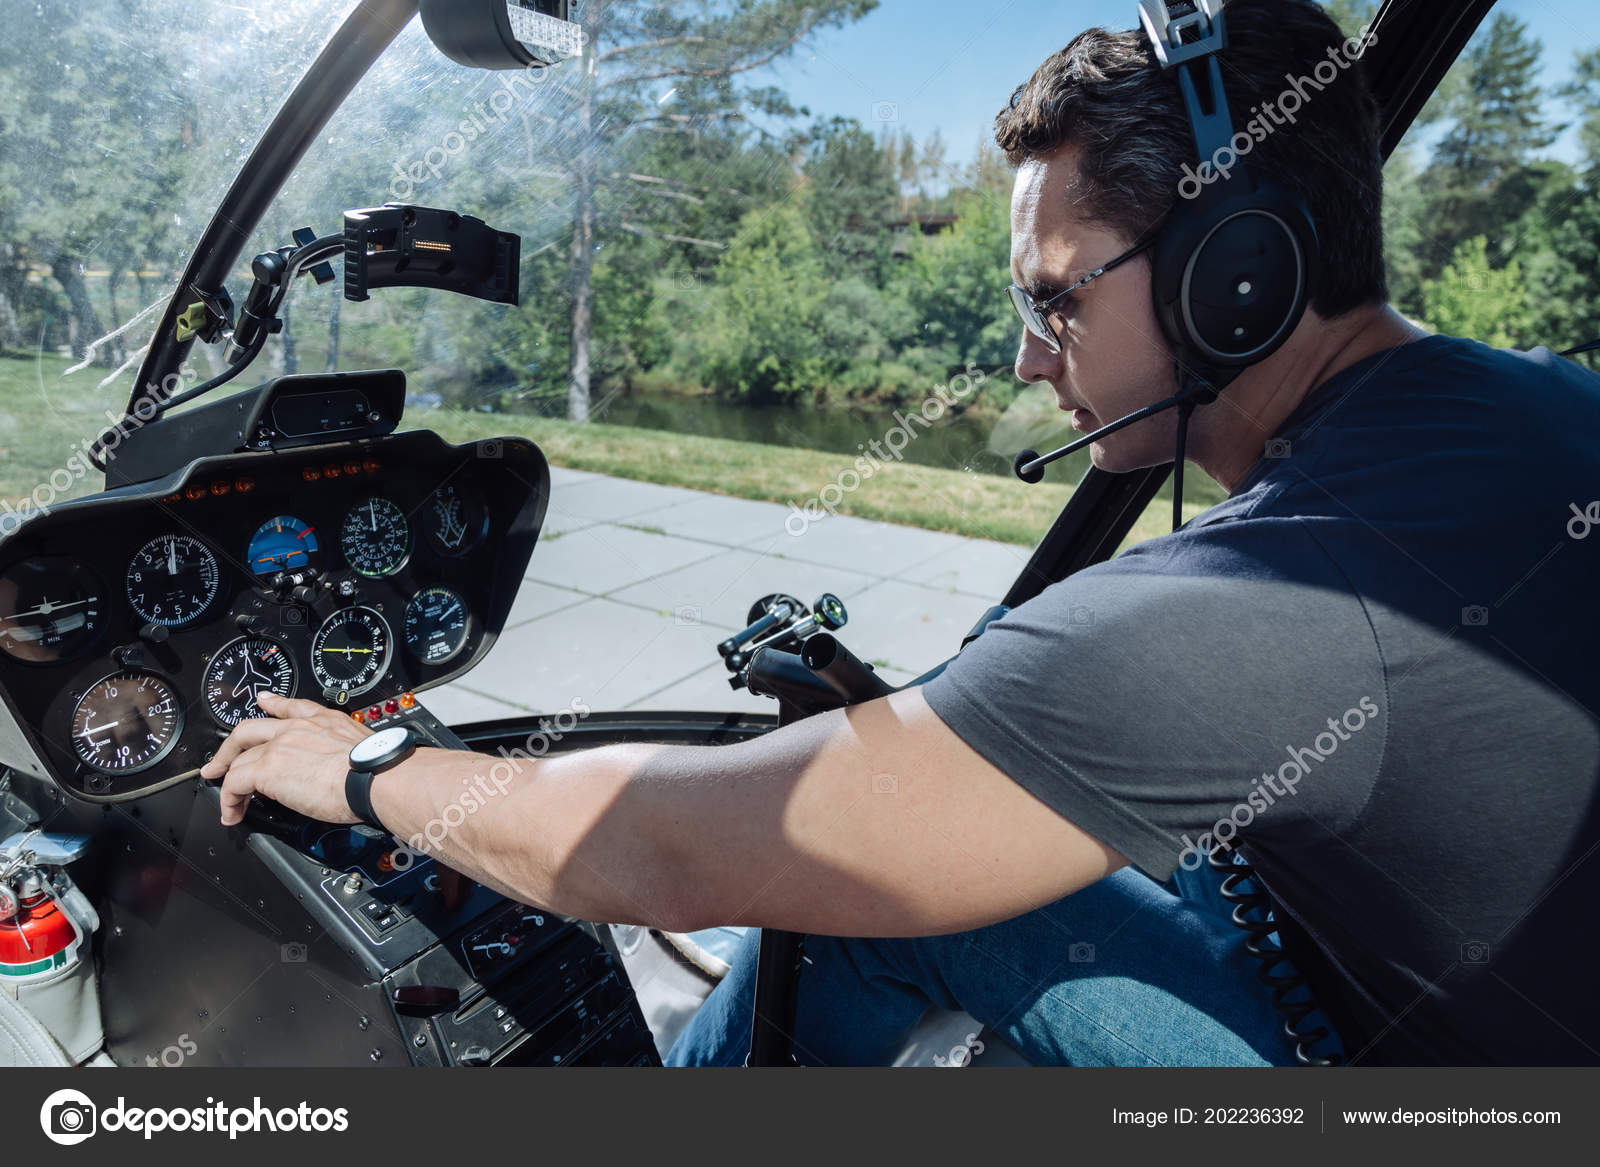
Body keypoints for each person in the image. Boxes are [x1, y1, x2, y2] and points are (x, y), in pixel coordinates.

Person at [200, 0, 1600, 1065]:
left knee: (887, 891)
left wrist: (377, 766)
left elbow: (667, 855)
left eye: (1057, 302)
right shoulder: (1536, 404)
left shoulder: (1275, 593)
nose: (1027, 364)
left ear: (1241, 276)